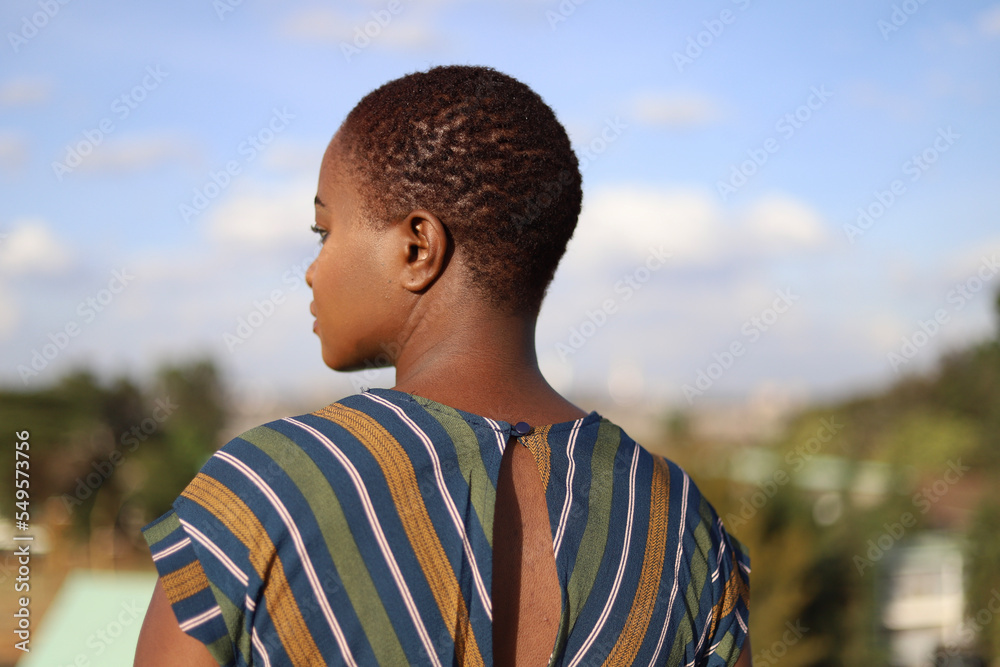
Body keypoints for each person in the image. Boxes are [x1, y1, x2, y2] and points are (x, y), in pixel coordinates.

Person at [134, 65, 751, 667]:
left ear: (417, 248)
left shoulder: (264, 492)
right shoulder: (684, 529)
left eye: (324, 231)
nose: (312, 271)